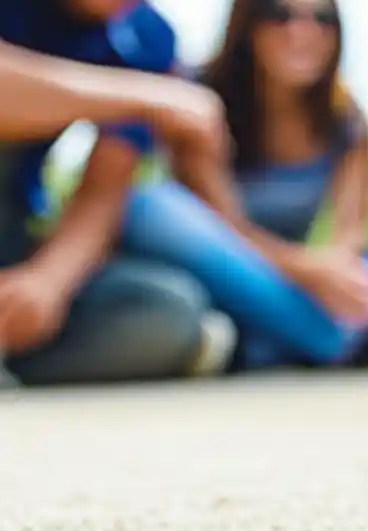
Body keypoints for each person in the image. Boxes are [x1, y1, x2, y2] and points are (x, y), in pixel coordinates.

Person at [123, 0, 368, 370]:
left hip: (297, 287)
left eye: (323, 19)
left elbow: (352, 230)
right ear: (246, 24)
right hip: (232, 272)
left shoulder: (346, 116)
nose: (303, 32)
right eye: (279, 15)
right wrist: (307, 269)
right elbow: (226, 233)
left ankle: (280, 344)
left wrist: (336, 271)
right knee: (151, 206)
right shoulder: (201, 101)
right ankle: (337, 342)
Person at [0, 0, 234, 386]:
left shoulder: (147, 35)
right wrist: (146, 96)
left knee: (168, 309)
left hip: (11, 237)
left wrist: (46, 282)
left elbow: (104, 190)